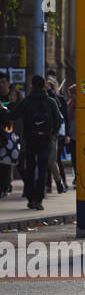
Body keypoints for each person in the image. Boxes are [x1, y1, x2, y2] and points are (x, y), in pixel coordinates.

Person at [0, 76, 62, 211]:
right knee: (43, 169)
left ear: (32, 86)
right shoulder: (51, 102)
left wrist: (2, 109)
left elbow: (12, 116)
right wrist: (53, 134)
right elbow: (57, 121)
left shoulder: (26, 102)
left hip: (30, 139)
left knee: (30, 168)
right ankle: (39, 199)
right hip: (45, 139)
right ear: (44, 85)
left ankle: (30, 197)